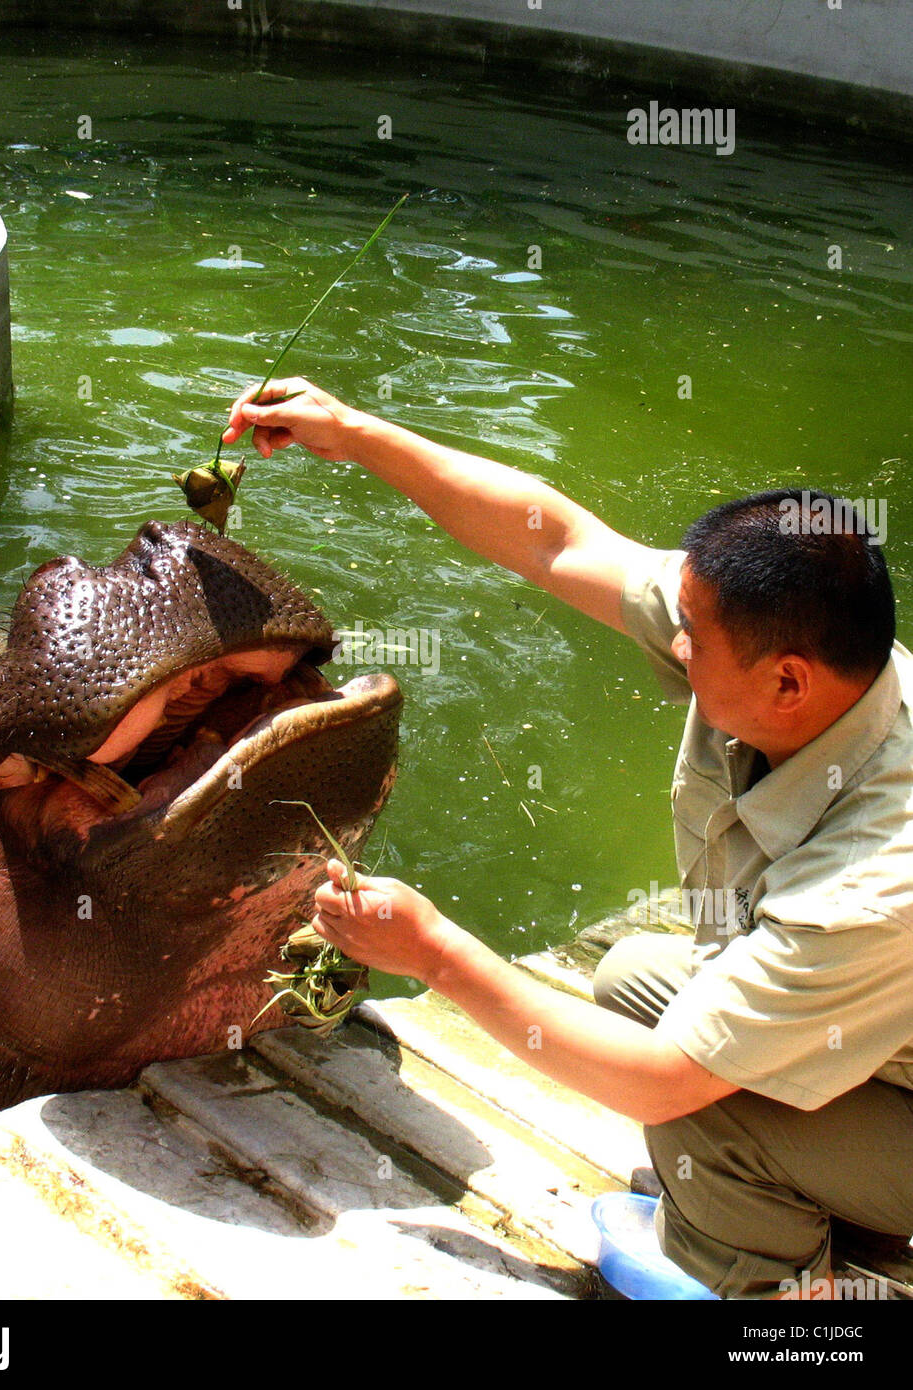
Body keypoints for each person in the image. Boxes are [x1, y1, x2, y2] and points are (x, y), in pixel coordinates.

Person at [223, 377, 913, 1299]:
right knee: (633, 979)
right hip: (885, 1044)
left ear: (787, 684)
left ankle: (790, 1313)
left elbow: (663, 1085)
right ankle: (825, 1204)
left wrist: (432, 951)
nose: (672, 646)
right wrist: (351, 432)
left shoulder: (877, 876)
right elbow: (557, 541)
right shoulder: (798, 652)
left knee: (700, 1118)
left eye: (691, 642)